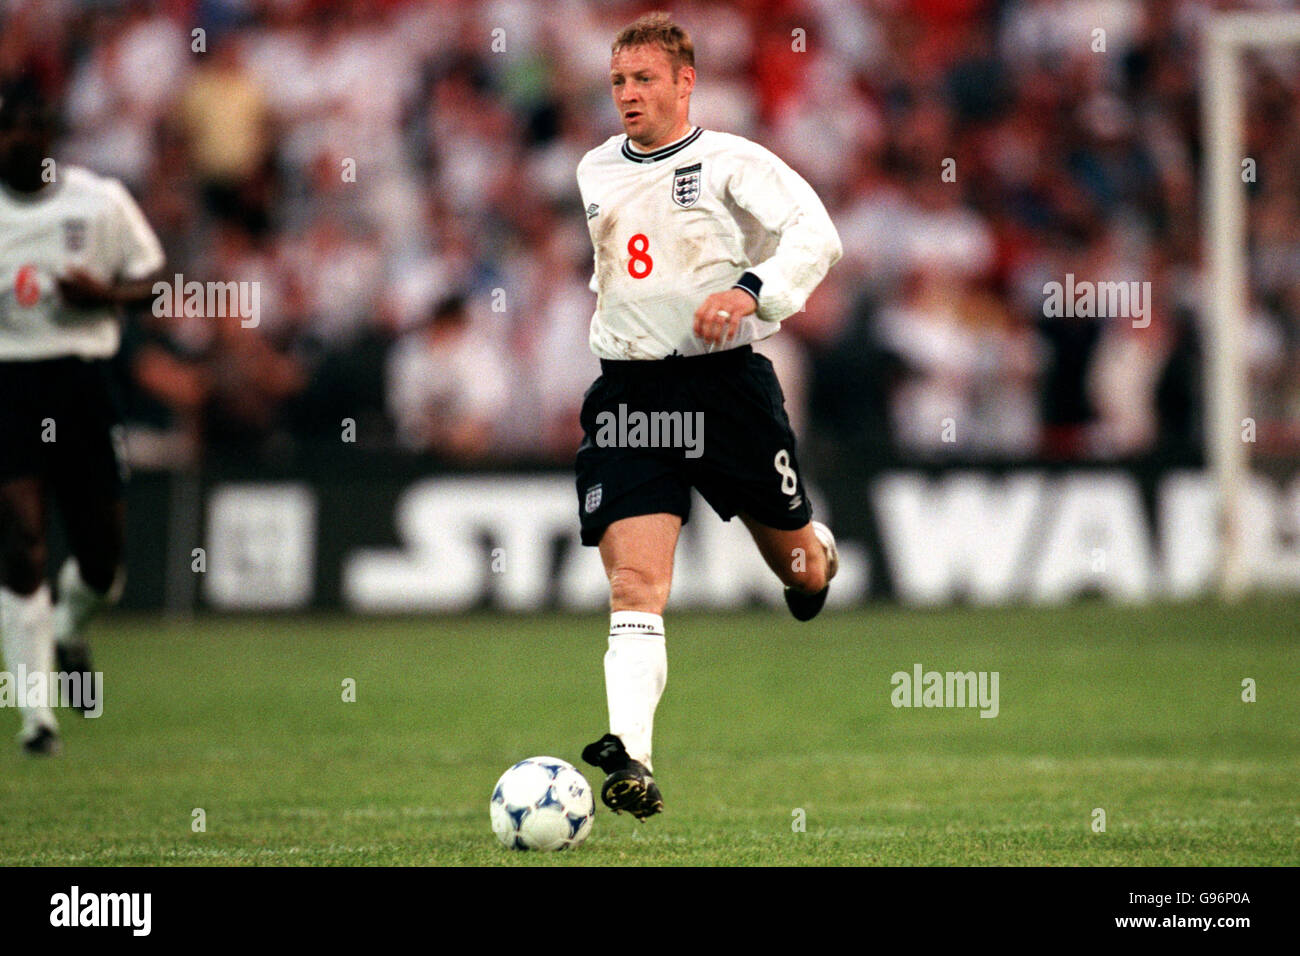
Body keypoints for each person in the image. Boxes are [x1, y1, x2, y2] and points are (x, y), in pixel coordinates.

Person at [573, 14, 843, 819]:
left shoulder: (731, 160)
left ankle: (817, 554)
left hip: (725, 394)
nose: (628, 94)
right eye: (619, 81)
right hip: (627, 396)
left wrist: (750, 291)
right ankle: (634, 759)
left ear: (685, 82)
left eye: (644, 79)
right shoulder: (592, 169)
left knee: (796, 571)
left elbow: (816, 233)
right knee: (635, 583)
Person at [0, 79, 165, 755]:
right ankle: (37, 717)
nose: (12, 145)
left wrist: (107, 295)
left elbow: (154, 282)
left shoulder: (99, 201)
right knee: (21, 542)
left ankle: (72, 623)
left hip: (83, 381)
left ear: (46, 138)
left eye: (23, 132)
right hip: (9, 383)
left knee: (102, 558)